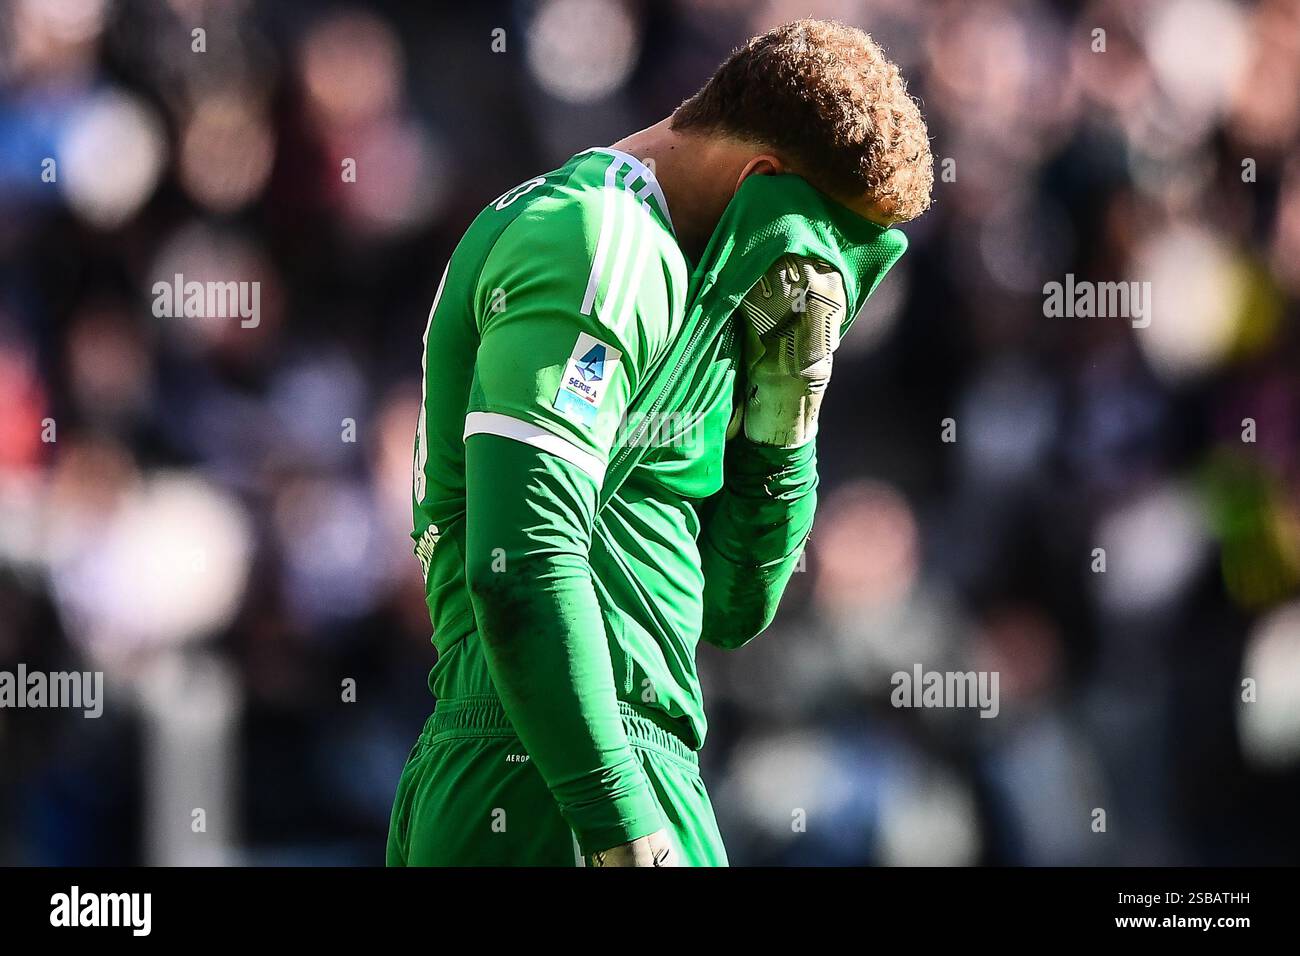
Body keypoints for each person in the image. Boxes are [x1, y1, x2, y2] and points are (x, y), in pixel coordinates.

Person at [387, 18, 932, 866]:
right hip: (542, 772)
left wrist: (787, 422)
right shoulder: (599, 239)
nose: (826, 282)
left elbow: (731, 610)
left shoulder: (693, 279)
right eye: (824, 246)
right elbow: (522, 564)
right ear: (762, 178)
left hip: (623, 763)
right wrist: (622, 827)